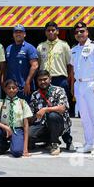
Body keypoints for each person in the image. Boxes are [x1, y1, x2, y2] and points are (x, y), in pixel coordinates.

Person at [70, 22, 94, 155]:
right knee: (84, 116)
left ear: (87, 32)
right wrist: (73, 88)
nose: (79, 34)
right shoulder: (74, 50)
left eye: (82, 31)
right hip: (79, 85)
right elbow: (73, 70)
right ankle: (90, 143)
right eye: (77, 32)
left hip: (92, 84)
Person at [36, 21, 74, 150]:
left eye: (53, 30)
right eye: (48, 30)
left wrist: (69, 81)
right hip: (44, 81)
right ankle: (50, 139)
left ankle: (68, 139)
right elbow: (39, 65)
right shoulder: (41, 46)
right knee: (46, 109)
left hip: (60, 79)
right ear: (45, 32)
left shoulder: (64, 46)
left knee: (63, 110)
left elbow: (70, 65)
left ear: (57, 31)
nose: (51, 32)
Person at [28, 71, 72, 156]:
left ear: (50, 79)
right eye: (40, 80)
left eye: (45, 79)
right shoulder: (35, 95)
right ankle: (48, 141)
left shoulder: (59, 90)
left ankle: (55, 144)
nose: (43, 82)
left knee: (52, 116)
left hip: (59, 123)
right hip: (42, 125)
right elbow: (31, 115)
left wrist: (45, 109)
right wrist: (34, 116)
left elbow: (62, 108)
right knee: (28, 135)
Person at [0, 80, 32, 157]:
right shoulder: (1, 102)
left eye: (13, 88)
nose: (11, 90)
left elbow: (25, 126)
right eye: (9, 88)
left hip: (17, 129)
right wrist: (5, 127)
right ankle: (4, 145)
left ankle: (15, 143)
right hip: (4, 129)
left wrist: (25, 149)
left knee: (17, 152)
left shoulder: (22, 103)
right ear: (5, 90)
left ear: (17, 89)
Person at [6, 24, 39, 103]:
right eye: (16, 32)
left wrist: (27, 82)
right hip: (11, 88)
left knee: (26, 112)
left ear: (24, 34)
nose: (18, 34)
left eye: (20, 32)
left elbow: (35, 65)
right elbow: (5, 66)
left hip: (25, 87)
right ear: (13, 34)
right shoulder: (9, 48)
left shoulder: (29, 48)